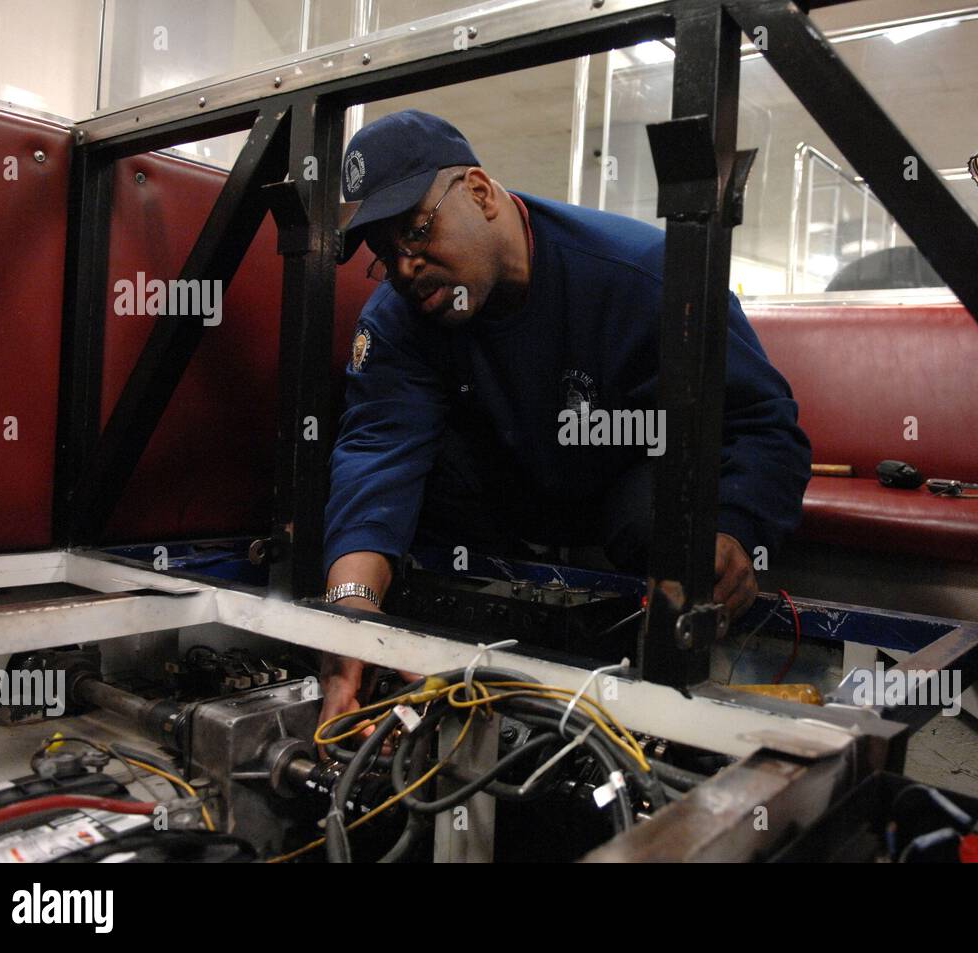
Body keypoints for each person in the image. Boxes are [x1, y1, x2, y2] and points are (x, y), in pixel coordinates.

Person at [318, 109, 811, 726]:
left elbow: (759, 422)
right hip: (504, 496)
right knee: (419, 491)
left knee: (669, 519)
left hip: (620, 484)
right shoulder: (399, 316)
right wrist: (351, 606)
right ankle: (453, 682)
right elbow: (377, 451)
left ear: (478, 191)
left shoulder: (649, 275)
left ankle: (654, 701)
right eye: (384, 255)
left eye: (415, 232)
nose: (405, 266)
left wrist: (735, 527)